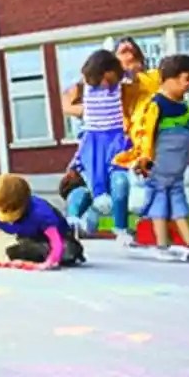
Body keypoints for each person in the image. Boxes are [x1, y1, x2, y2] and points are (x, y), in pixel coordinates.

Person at [119, 54, 189, 261]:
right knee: (159, 198)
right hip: (157, 165)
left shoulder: (184, 106)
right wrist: (143, 159)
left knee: (177, 198)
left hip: (176, 166)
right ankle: (161, 243)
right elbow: (145, 134)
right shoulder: (155, 105)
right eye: (188, 80)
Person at [61, 49, 133, 241]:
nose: (106, 85)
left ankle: (121, 228)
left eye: (111, 80)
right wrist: (81, 110)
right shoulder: (84, 85)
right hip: (93, 136)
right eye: (103, 80)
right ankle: (88, 208)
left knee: (119, 180)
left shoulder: (122, 84)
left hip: (117, 136)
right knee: (95, 172)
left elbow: (136, 74)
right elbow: (65, 102)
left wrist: (126, 58)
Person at [0, 174, 85, 270]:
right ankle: (40, 253)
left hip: (61, 239)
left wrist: (51, 262)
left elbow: (56, 240)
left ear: (23, 205)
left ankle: (60, 254)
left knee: (67, 251)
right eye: (1, 211)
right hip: (31, 240)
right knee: (15, 251)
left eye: (12, 211)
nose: (7, 217)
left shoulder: (41, 213)